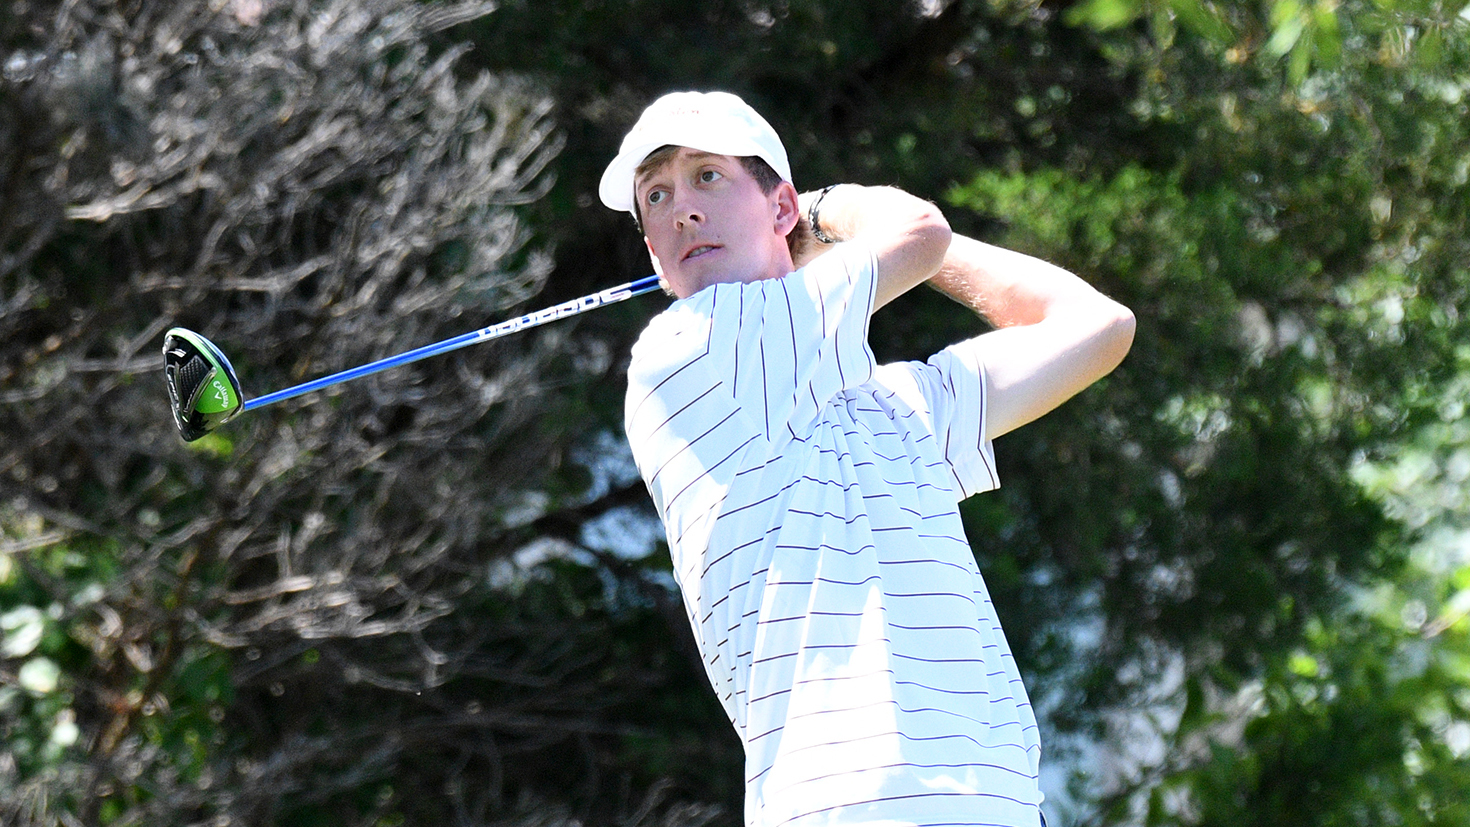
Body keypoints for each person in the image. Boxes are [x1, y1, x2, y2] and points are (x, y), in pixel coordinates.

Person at [600, 91, 1135, 827]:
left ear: (776, 207)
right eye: (655, 195)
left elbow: (1099, 326)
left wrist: (825, 233)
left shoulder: (898, 409)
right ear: (656, 255)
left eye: (708, 177)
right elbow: (918, 230)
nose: (680, 209)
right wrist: (826, 216)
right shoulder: (688, 350)